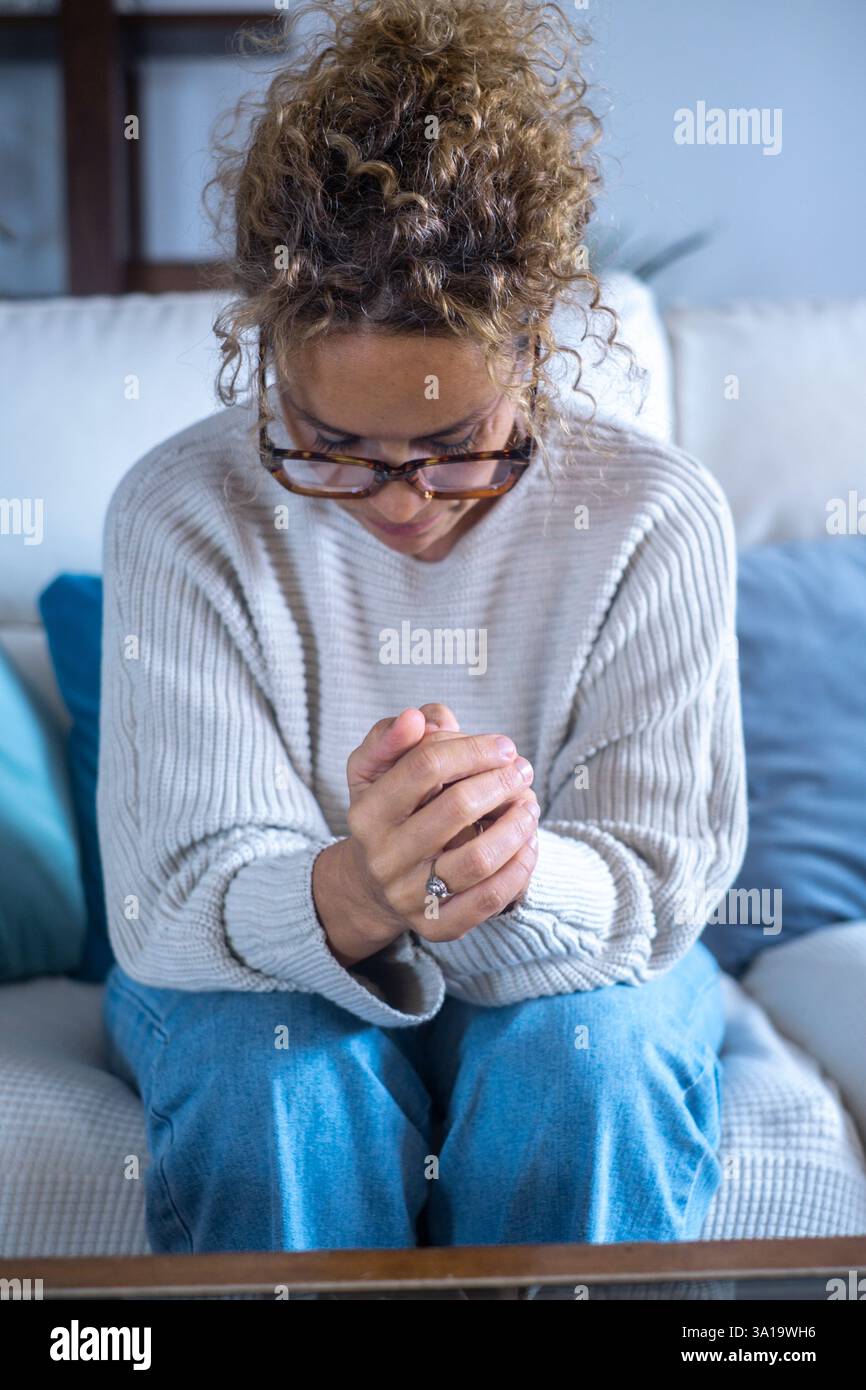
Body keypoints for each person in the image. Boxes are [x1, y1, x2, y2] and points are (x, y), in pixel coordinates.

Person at [98, 0, 747, 1254]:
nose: (400, 501)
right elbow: (172, 911)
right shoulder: (181, 513)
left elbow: (659, 893)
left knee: (585, 1066)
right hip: (252, 989)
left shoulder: (654, 517)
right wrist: (357, 884)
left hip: (568, 978)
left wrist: (480, 871)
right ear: (268, 360)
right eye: (332, 450)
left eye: (455, 451)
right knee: (266, 1077)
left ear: (535, 350)